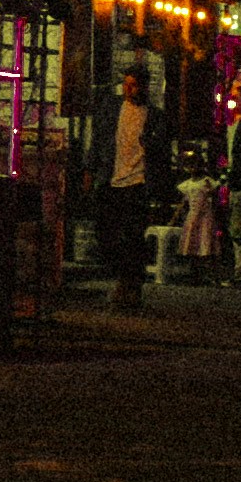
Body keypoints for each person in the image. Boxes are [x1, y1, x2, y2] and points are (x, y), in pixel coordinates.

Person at [100, 64, 160, 304]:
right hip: (114, 179)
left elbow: (160, 152)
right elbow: (102, 139)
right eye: (125, 84)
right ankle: (124, 280)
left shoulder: (153, 116)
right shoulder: (113, 109)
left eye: (133, 85)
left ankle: (131, 283)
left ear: (143, 86)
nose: (128, 89)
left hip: (138, 181)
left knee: (133, 236)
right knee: (114, 235)